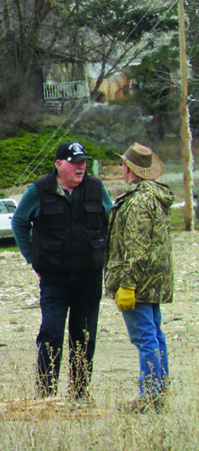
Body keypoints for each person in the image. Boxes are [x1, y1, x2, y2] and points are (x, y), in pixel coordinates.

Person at [12, 140, 112, 403]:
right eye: (75, 162)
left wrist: (106, 255)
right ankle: (46, 394)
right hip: (54, 278)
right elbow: (19, 223)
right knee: (51, 334)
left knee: (84, 337)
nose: (81, 167)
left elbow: (111, 223)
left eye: (83, 162)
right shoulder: (39, 190)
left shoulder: (96, 188)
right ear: (59, 164)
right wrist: (32, 257)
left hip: (89, 276)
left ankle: (79, 394)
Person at [104, 143, 174, 411]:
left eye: (124, 164)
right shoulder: (156, 196)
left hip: (139, 283)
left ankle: (151, 397)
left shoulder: (138, 201)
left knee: (146, 338)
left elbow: (137, 246)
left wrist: (128, 284)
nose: (122, 168)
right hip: (155, 280)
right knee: (155, 335)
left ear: (129, 168)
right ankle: (159, 394)